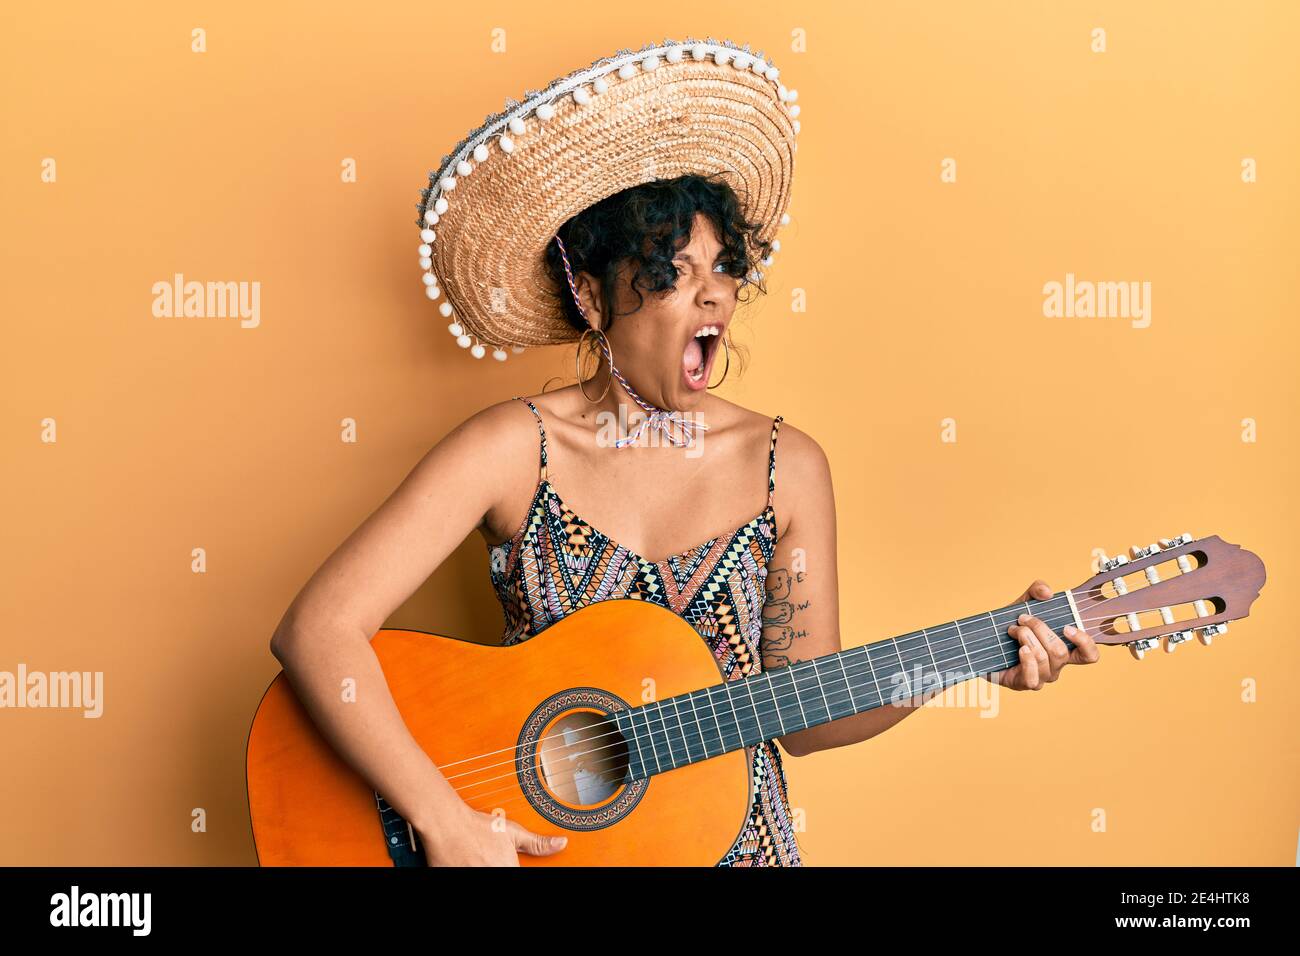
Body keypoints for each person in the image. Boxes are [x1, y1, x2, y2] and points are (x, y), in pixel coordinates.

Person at [268, 38, 1099, 867]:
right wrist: (444, 821)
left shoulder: (787, 467)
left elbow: (806, 717)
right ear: (592, 297)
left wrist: (974, 662)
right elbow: (319, 631)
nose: (711, 293)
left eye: (722, 268)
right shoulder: (511, 451)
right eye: (670, 272)